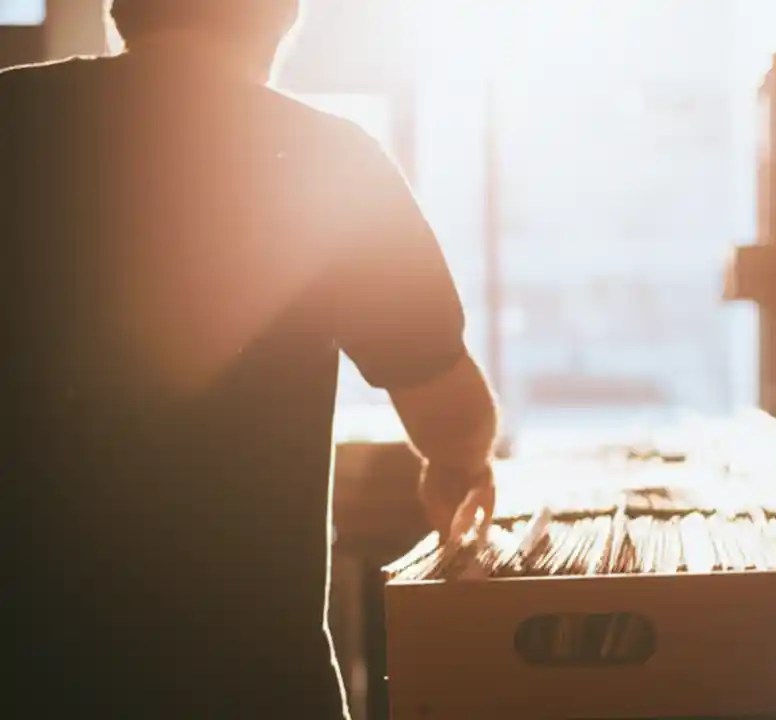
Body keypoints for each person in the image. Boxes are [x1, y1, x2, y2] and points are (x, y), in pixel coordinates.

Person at [0, 0, 498, 716]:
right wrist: (459, 468)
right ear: (281, 15)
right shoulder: (330, 162)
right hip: (248, 685)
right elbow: (452, 418)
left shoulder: (10, 120)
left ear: (122, 10)